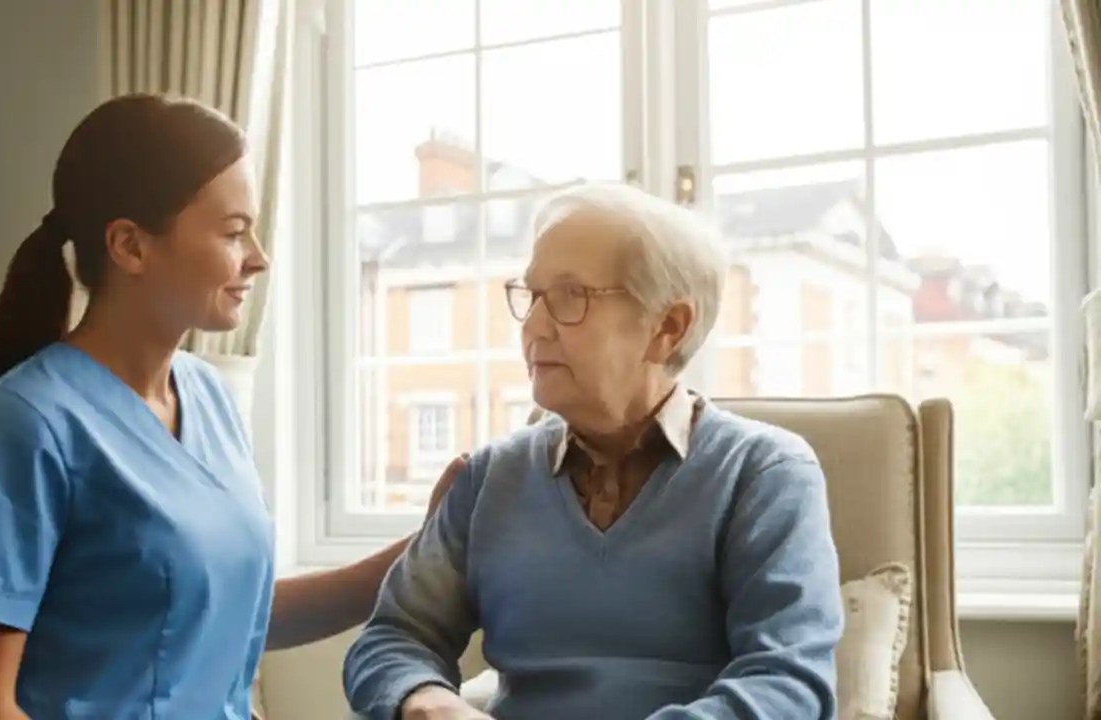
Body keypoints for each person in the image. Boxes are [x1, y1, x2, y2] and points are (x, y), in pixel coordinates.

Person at [0, 93, 461, 720]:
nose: (258, 257)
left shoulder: (209, 396)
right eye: (234, 232)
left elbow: (231, 613)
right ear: (130, 245)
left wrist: (425, 549)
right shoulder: (22, 427)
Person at [343, 182, 844, 720]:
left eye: (569, 297)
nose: (534, 326)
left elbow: (788, 683)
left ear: (667, 328)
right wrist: (428, 701)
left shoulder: (765, 475)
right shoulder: (488, 479)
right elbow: (395, 636)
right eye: (531, 296)